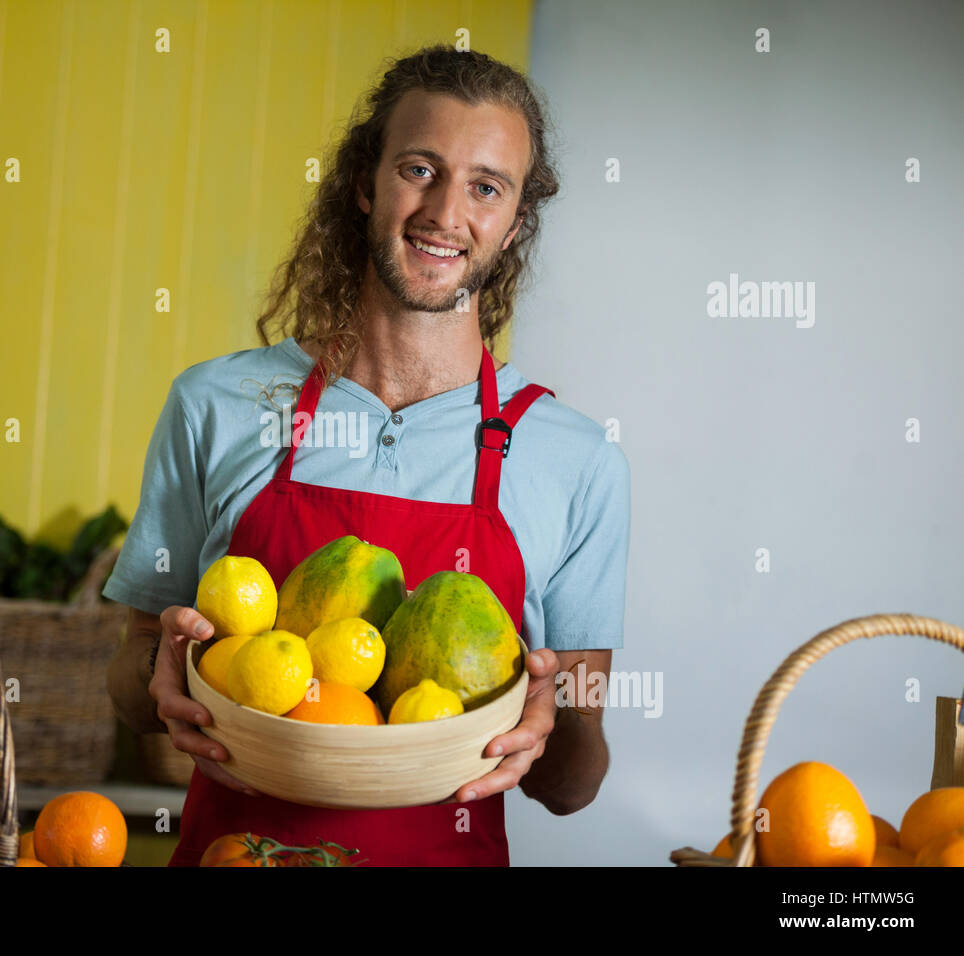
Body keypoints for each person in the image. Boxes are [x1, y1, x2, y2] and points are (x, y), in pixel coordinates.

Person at [103, 44, 630, 866]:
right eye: (420, 169)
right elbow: (134, 679)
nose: (446, 212)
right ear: (364, 183)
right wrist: (158, 673)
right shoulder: (216, 406)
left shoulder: (577, 460)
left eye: (486, 187)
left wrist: (552, 715)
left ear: (515, 220)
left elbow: (575, 779)